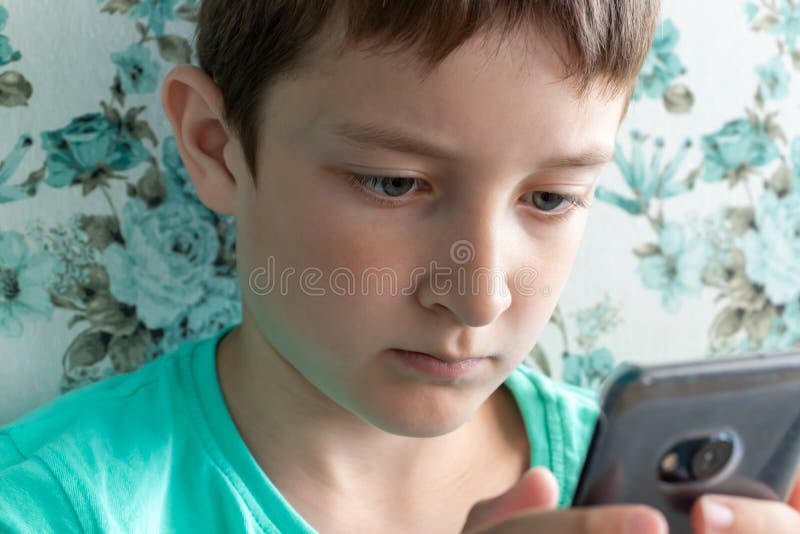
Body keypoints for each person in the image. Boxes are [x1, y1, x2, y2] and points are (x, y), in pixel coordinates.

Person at [2, 0, 800, 532]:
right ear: (217, 147)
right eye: (393, 184)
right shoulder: (52, 509)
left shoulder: (643, 495)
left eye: (551, 198)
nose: (479, 298)